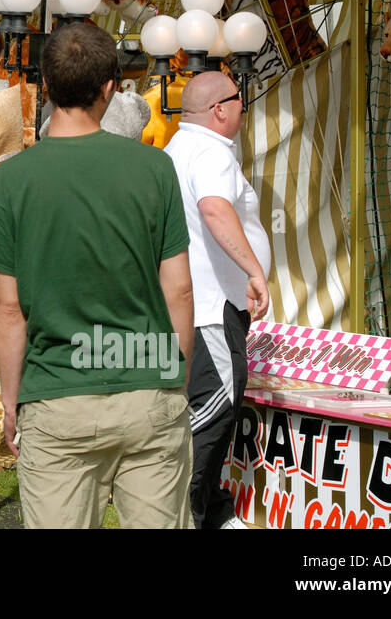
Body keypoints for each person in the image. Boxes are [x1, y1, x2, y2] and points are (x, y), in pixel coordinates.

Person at [0, 23, 195, 529]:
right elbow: (178, 288)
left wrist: (15, 399)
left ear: (44, 84)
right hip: (149, 391)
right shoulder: (156, 169)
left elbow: (6, 309)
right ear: (111, 88)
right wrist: (175, 378)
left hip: (57, 394)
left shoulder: (8, 182)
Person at [163, 71, 271, 530]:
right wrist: (253, 269)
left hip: (188, 307)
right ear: (219, 110)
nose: (244, 106)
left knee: (201, 410)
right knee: (214, 409)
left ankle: (212, 511)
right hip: (210, 310)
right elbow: (213, 206)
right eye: (239, 98)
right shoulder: (211, 151)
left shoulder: (174, 150)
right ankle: (183, 514)